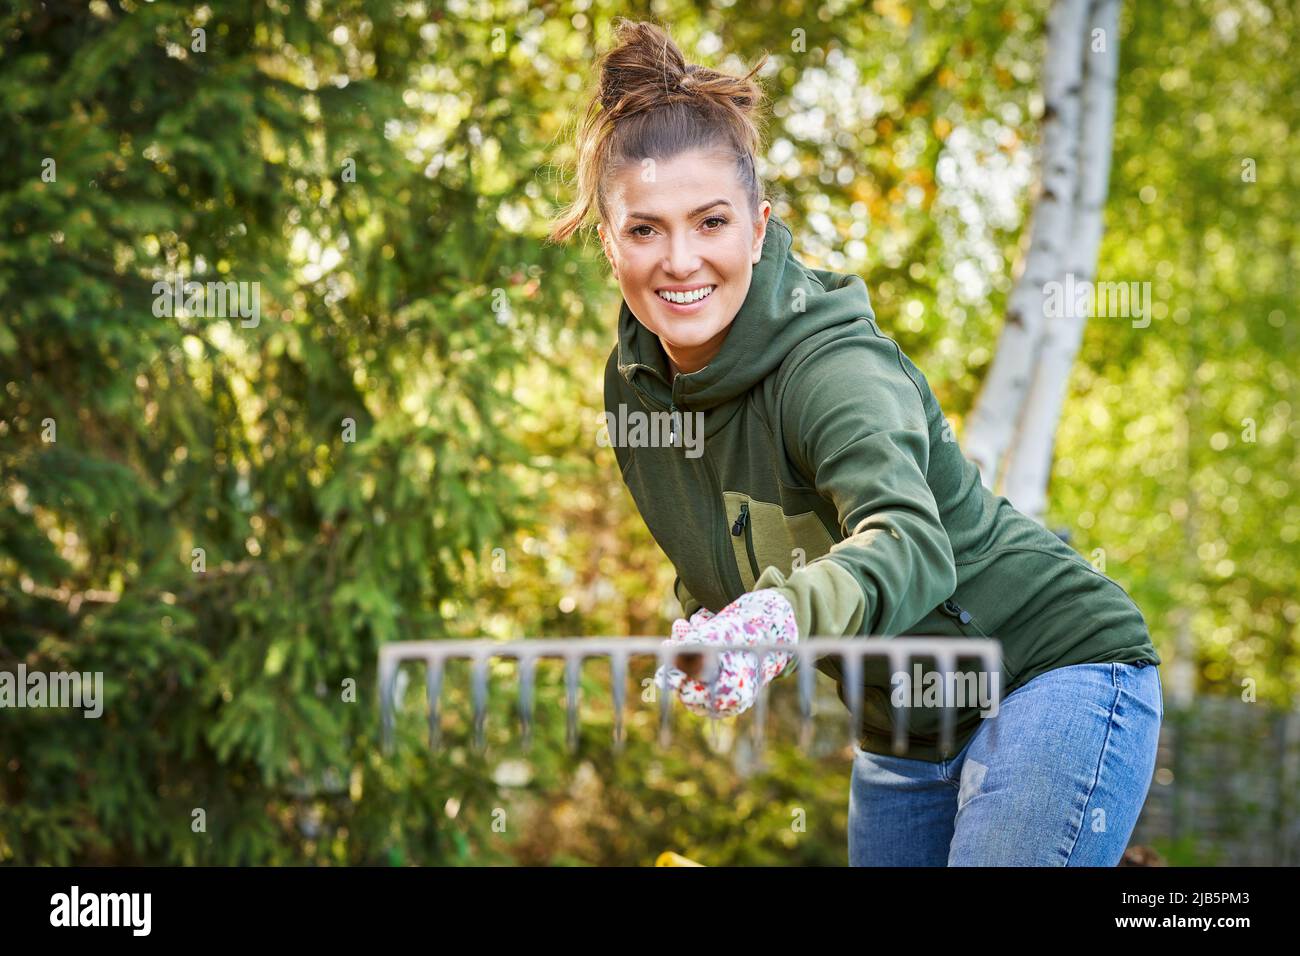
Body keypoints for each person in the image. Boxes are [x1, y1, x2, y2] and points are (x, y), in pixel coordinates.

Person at [548, 19, 1163, 867]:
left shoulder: (829, 367)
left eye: (712, 222)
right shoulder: (637, 389)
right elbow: (716, 555)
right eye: (646, 229)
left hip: (1049, 669)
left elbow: (910, 546)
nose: (681, 260)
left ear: (759, 229)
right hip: (906, 729)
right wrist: (706, 634)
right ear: (607, 240)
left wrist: (775, 619)